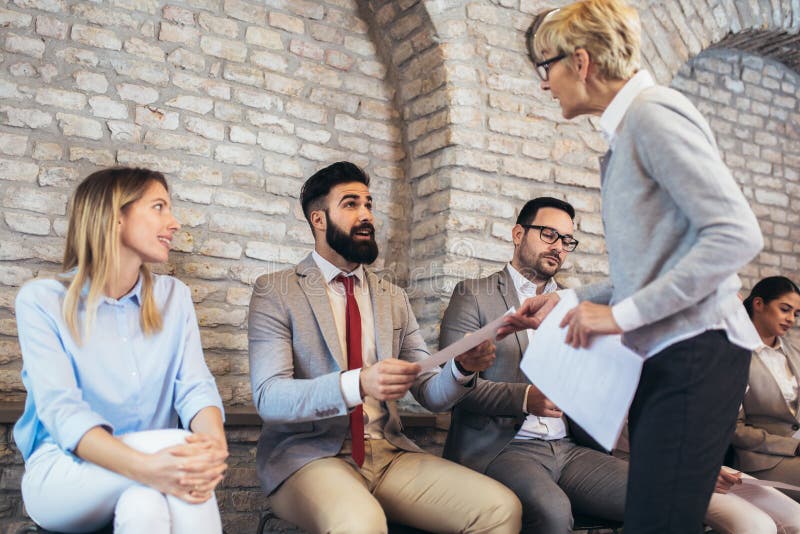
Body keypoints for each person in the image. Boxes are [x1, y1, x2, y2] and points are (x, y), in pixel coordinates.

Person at [503, 2, 765, 531]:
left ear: (580, 62)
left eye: (544, 67)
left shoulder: (651, 113)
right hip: (672, 354)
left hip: (697, 353)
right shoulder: (629, 133)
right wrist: (571, 303)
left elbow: (736, 234)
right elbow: (649, 273)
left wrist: (620, 317)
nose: (543, 84)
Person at [247, 161, 521, 534]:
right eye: (350, 204)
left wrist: (462, 368)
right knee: (361, 524)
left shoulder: (393, 298)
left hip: (390, 454)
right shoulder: (276, 290)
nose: (366, 216)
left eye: (369, 204)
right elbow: (270, 397)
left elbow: (431, 393)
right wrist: (358, 383)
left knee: (500, 509)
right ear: (318, 219)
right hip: (310, 457)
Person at [14, 167, 228, 533]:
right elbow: (63, 413)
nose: (175, 222)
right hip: (65, 475)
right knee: (182, 452)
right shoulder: (41, 301)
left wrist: (213, 450)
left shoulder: (173, 298)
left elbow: (195, 387)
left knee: (144, 506)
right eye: (159, 207)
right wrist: (154, 466)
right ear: (115, 217)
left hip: (159, 468)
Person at [440, 196, 627, 533]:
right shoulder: (474, 294)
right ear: (517, 234)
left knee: (654, 497)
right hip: (502, 448)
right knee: (553, 512)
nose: (559, 247)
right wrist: (525, 397)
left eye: (567, 240)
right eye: (548, 235)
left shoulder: (575, 304)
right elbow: (451, 387)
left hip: (570, 448)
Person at [733, 276, 800, 500]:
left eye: (796, 314)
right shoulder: (734, 355)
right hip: (762, 459)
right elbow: (735, 429)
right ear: (759, 304)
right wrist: (793, 446)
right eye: (785, 309)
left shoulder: (793, 353)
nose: (791, 319)